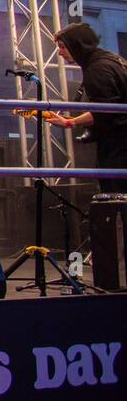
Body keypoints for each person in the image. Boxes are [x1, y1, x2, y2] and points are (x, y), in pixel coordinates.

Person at [45, 23, 127, 289]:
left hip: (120, 149)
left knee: (117, 201)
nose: (59, 52)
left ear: (77, 45)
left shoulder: (99, 68)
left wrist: (71, 123)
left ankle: (118, 274)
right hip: (117, 145)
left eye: (62, 46)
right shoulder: (112, 60)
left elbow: (108, 110)